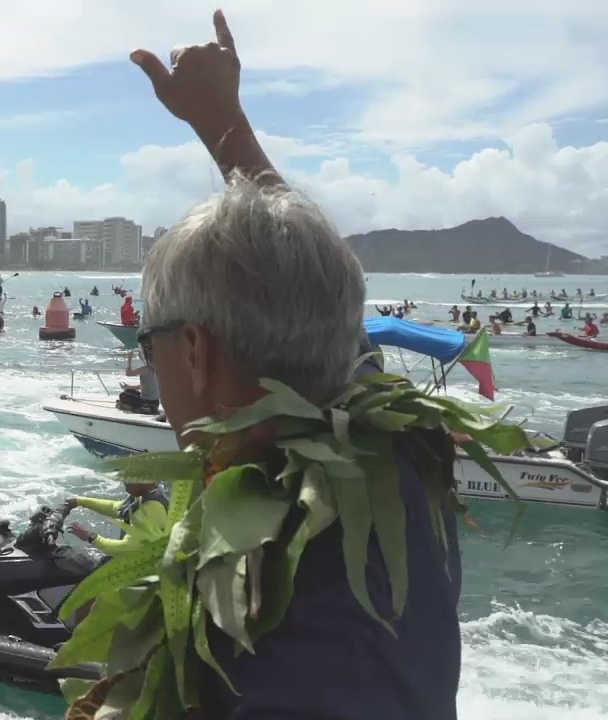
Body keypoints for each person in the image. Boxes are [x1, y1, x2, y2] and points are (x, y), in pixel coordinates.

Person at [131, 11, 459, 718]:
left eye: (145, 343)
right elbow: (313, 289)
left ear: (194, 351)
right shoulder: (391, 459)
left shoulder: (286, 662)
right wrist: (223, 122)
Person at [64, 483, 169, 553]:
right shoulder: (145, 495)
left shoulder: (151, 509)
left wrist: (90, 537)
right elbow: (116, 508)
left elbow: (126, 548)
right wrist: (79, 501)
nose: (124, 481)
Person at [118, 349, 160, 414]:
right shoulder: (159, 369)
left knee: (123, 395)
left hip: (147, 402)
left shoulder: (146, 369)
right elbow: (145, 386)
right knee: (129, 391)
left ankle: (136, 407)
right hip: (155, 402)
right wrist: (129, 387)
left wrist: (129, 359)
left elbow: (128, 373)